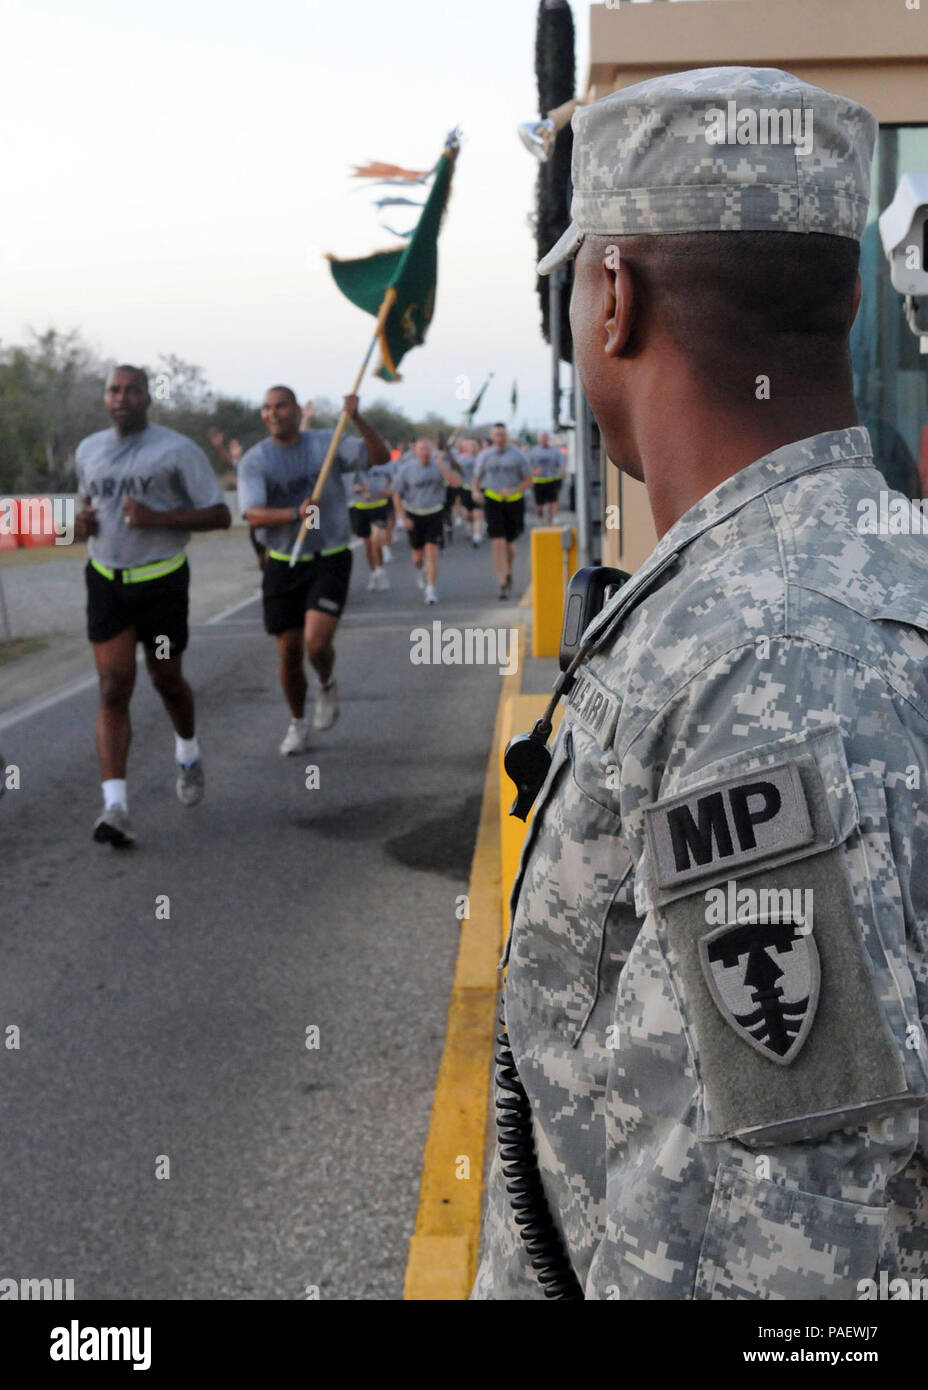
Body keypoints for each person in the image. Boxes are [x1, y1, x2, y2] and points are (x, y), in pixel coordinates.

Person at [474, 67, 928, 1301]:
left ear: (612, 296)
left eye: (571, 280)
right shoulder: (874, 568)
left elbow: (796, 1242)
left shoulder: (753, 659)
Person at [74, 365, 231, 846]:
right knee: (113, 685)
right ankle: (115, 806)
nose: (121, 398)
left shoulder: (177, 450)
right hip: (107, 581)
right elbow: (86, 508)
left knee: (166, 679)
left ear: (147, 398)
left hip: (161, 583)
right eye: (113, 391)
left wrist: (157, 517)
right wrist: (80, 525)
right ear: (106, 399)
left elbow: (221, 514)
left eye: (131, 390)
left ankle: (187, 750)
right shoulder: (88, 450)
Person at [237, 386, 389, 755]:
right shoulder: (255, 460)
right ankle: (297, 723)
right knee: (289, 651)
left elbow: (378, 456)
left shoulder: (326, 442)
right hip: (283, 561)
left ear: (295, 410)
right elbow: (251, 514)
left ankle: (326, 680)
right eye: (267, 408)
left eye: (281, 406)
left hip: (329, 555)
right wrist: (294, 514)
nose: (274, 414)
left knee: (316, 643)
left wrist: (357, 418)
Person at [392, 438, 460, 605]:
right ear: (415, 451)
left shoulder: (439, 467)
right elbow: (396, 494)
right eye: (422, 449)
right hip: (414, 514)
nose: (425, 452)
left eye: (428, 449)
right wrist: (402, 517)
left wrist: (442, 465)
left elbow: (456, 483)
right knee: (417, 556)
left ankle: (430, 589)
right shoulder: (406, 469)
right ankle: (420, 569)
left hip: (434, 513)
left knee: (432, 551)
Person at [471, 424, 533, 599]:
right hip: (493, 500)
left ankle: (509, 571)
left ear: (507, 436)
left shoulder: (518, 455)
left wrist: (514, 490)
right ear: (492, 437)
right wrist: (475, 491)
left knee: (509, 546)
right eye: (497, 435)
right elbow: (477, 478)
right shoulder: (485, 456)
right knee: (497, 541)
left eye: (502, 434)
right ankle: (501, 581)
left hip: (513, 502)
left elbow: (529, 481)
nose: (500, 438)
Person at [348, 458, 392, 591]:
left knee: (376, 540)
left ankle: (380, 570)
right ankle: (373, 573)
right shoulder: (354, 467)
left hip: (379, 506)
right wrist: (361, 489)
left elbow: (391, 479)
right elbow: (349, 486)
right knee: (368, 546)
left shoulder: (382, 465)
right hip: (361, 508)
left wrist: (386, 489)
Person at [528, 430, 564, 524]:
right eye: (542, 438)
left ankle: (550, 523)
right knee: (539, 506)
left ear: (548, 439)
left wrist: (560, 470)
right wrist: (534, 471)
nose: (544, 440)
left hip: (552, 480)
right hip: (538, 481)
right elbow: (527, 466)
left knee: (551, 503)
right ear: (539, 439)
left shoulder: (555, 451)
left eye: (545, 438)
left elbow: (561, 464)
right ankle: (540, 515)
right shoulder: (534, 451)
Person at [452, 438, 484, 545]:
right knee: (468, 514)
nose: (472, 448)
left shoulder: (483, 458)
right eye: (470, 446)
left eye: (474, 446)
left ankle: (477, 534)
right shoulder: (463, 459)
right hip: (466, 489)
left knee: (477, 512)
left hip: (479, 489)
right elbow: (457, 471)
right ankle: (470, 525)